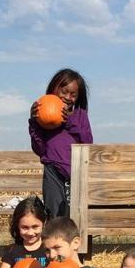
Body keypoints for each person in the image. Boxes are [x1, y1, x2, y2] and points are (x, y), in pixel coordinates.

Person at [28, 68, 92, 218]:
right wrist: (34, 123)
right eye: (64, 92)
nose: (68, 97)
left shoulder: (80, 116)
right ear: (53, 90)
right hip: (52, 171)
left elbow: (87, 142)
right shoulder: (44, 121)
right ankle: (55, 241)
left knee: (76, 215)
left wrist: (69, 120)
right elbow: (39, 149)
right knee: (54, 216)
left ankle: (78, 241)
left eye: (73, 95)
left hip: (76, 173)